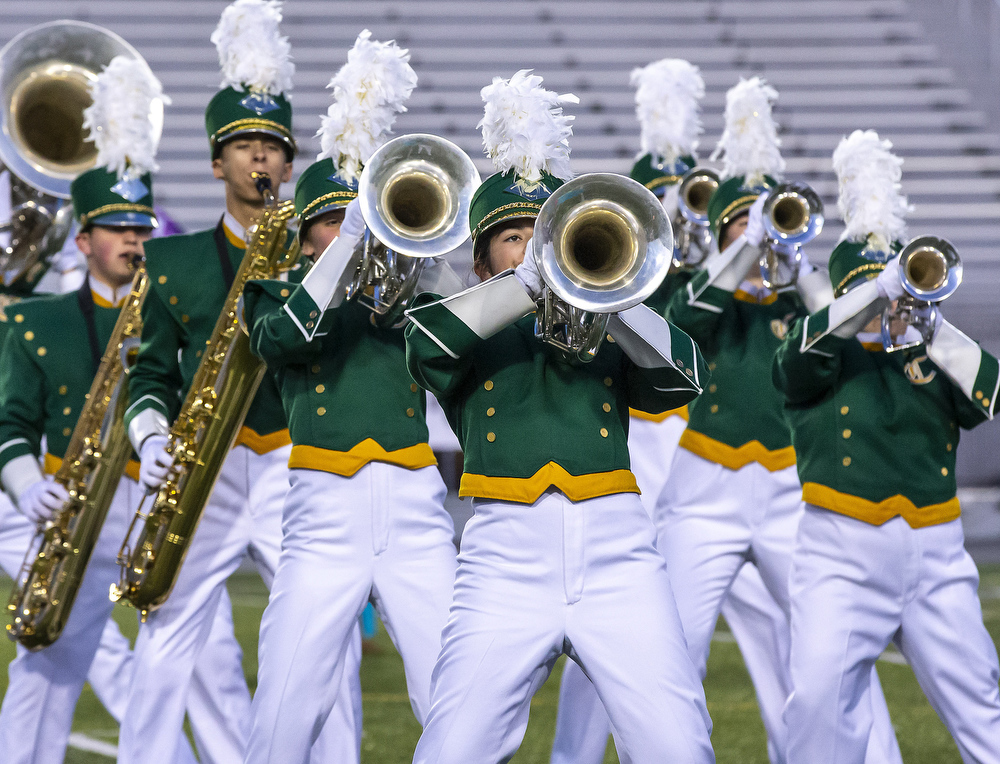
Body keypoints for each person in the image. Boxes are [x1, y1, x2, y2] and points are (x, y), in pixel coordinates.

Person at [405, 70, 715, 764]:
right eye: (514, 237)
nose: (532, 248)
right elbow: (425, 345)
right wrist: (529, 283)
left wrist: (610, 293)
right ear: (483, 260)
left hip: (619, 554)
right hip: (503, 557)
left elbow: (686, 375)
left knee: (680, 747)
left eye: (545, 234)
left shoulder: (612, 326)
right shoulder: (462, 323)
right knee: (450, 752)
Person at [118, 3, 359, 762]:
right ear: (216, 162)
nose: (259, 160)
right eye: (242, 146)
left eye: (271, 147)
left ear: (290, 166)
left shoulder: (323, 255)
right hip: (203, 471)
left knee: (329, 645)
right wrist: (150, 435)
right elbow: (150, 372)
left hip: (302, 460)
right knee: (162, 639)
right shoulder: (174, 261)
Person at [0, 54, 246, 763]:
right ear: (84, 240)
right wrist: (25, 486)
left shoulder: (178, 304)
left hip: (160, 504)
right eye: (117, 228)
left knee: (212, 665)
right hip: (74, 510)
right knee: (45, 667)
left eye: (142, 226)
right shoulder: (35, 322)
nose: (135, 239)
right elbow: (10, 425)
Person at [551, 61, 795, 764]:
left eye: (690, 203)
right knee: (617, 629)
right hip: (644, 456)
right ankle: (576, 753)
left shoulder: (723, 279)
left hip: (716, 465)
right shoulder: (617, 267)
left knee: (781, 638)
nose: (681, 218)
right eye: (664, 204)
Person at [658, 78, 901, 764]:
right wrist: (742, 253)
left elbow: (843, 330)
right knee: (670, 651)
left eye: (770, 221)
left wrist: (795, 267)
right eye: (744, 222)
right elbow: (684, 325)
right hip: (703, 486)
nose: (757, 233)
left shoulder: (805, 292)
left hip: (793, 490)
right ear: (725, 230)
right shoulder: (697, 286)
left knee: (829, 648)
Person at [241, 31, 458, 763]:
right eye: (332, 221)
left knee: (457, 698)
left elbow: (459, 340)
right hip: (321, 511)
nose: (350, 233)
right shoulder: (275, 292)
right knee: (285, 706)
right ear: (307, 236)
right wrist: (344, 251)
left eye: (355, 218)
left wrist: (397, 253)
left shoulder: (414, 295)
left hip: (417, 506)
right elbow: (281, 339)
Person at [775, 129, 1000, 764]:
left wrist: (929, 318)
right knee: (819, 708)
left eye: (899, 288)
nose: (890, 304)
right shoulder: (817, 353)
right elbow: (800, 358)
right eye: (877, 293)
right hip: (838, 554)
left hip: (936, 553)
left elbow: (992, 390)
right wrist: (873, 292)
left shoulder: (932, 350)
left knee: (981, 702)